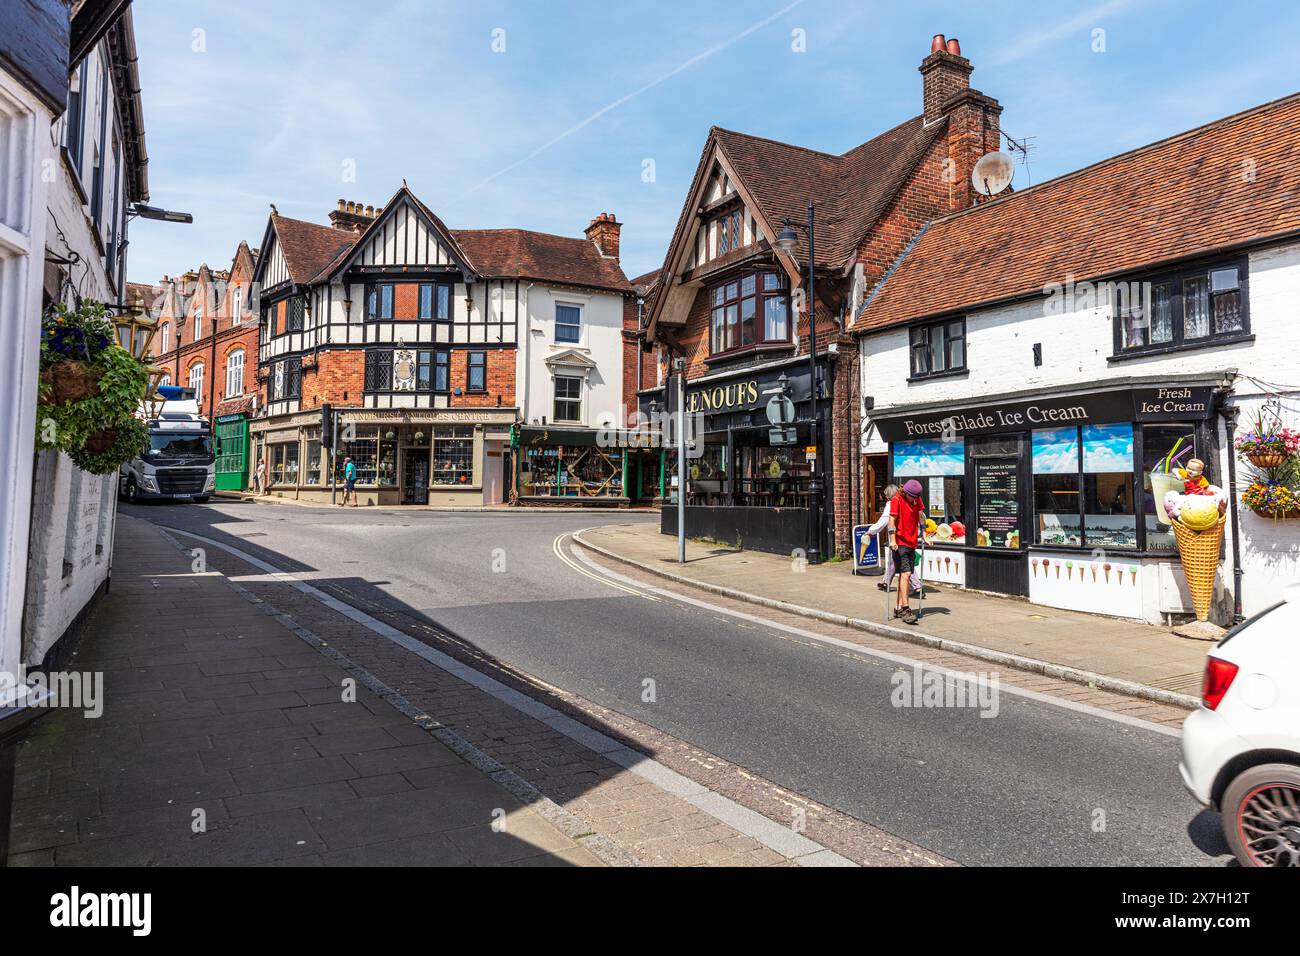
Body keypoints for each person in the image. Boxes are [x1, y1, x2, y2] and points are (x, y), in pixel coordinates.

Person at [868, 484, 923, 598]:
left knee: (905, 566)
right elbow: (921, 516)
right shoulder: (908, 502)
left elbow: (885, 521)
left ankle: (917, 588)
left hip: (899, 539)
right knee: (895, 563)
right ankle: (886, 582)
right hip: (909, 537)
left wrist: (871, 531)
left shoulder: (893, 502)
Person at [887, 479, 925, 624]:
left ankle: (897, 607)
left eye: (917, 498)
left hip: (912, 542)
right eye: (913, 497)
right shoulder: (896, 499)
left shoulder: (916, 498)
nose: (915, 500)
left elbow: (921, 515)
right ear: (906, 493)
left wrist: (925, 534)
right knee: (906, 573)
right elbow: (892, 520)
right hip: (899, 542)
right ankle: (906, 609)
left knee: (905, 576)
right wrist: (892, 540)